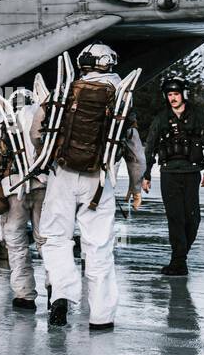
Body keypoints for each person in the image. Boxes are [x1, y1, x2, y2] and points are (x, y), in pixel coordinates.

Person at [33, 43, 145, 331]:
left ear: (84, 63)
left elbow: (37, 132)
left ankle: (61, 293)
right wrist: (135, 186)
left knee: (56, 239)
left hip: (62, 173)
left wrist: (44, 159)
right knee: (99, 248)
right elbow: (134, 149)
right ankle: (101, 316)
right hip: (100, 178)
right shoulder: (120, 96)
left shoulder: (66, 91)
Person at [0, 89, 48, 310]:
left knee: (16, 244)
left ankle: (24, 295)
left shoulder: (1, 124)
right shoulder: (43, 117)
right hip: (44, 187)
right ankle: (56, 289)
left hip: (12, 189)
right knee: (47, 241)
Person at [141, 76, 204, 276]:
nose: (173, 98)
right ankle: (178, 261)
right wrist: (146, 174)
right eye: (169, 95)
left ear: (183, 94)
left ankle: (180, 256)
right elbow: (149, 147)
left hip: (192, 173)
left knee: (193, 219)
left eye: (176, 94)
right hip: (169, 174)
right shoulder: (161, 119)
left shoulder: (198, 116)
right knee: (175, 218)